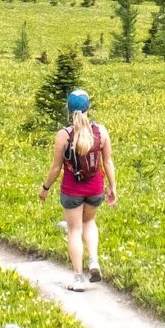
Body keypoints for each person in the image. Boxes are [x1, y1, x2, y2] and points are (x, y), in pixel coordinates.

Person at [39, 89, 115, 291]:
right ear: (88, 107)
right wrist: (112, 187)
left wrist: (45, 188)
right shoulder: (101, 131)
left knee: (74, 230)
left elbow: (56, 168)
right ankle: (94, 261)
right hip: (96, 188)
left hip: (72, 190)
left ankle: (78, 278)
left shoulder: (64, 135)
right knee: (89, 222)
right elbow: (107, 161)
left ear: (69, 109)